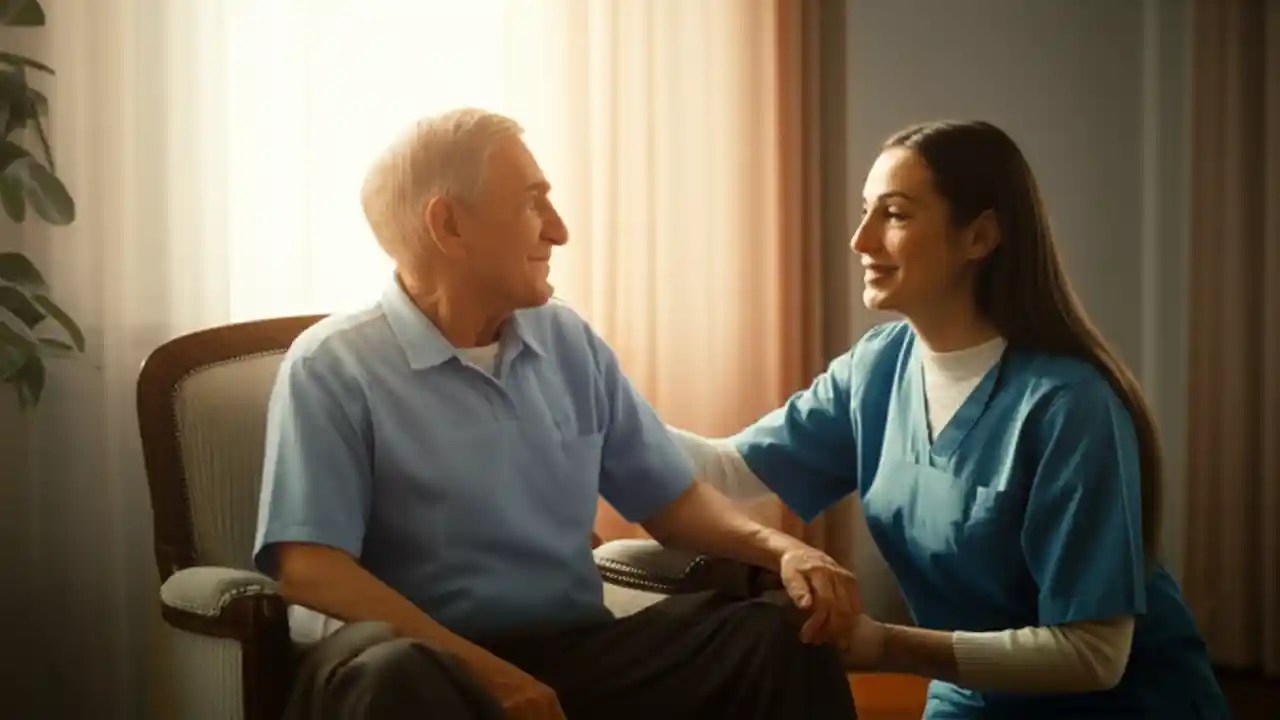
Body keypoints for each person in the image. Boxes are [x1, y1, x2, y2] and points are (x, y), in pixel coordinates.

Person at [252, 108, 860, 720]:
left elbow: (672, 505)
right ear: (449, 224)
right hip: (417, 661)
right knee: (393, 675)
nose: (559, 231)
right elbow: (311, 571)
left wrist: (785, 550)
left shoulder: (568, 342)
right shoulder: (334, 365)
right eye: (532, 203)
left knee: (781, 634)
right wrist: (490, 676)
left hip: (570, 651)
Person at [674, 120, 1230, 719]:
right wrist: (591, 411)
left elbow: (1094, 654)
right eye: (865, 212)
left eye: (894, 214)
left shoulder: (1069, 407)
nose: (861, 240)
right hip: (972, 700)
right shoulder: (879, 366)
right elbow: (728, 470)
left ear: (980, 236)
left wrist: (886, 644)